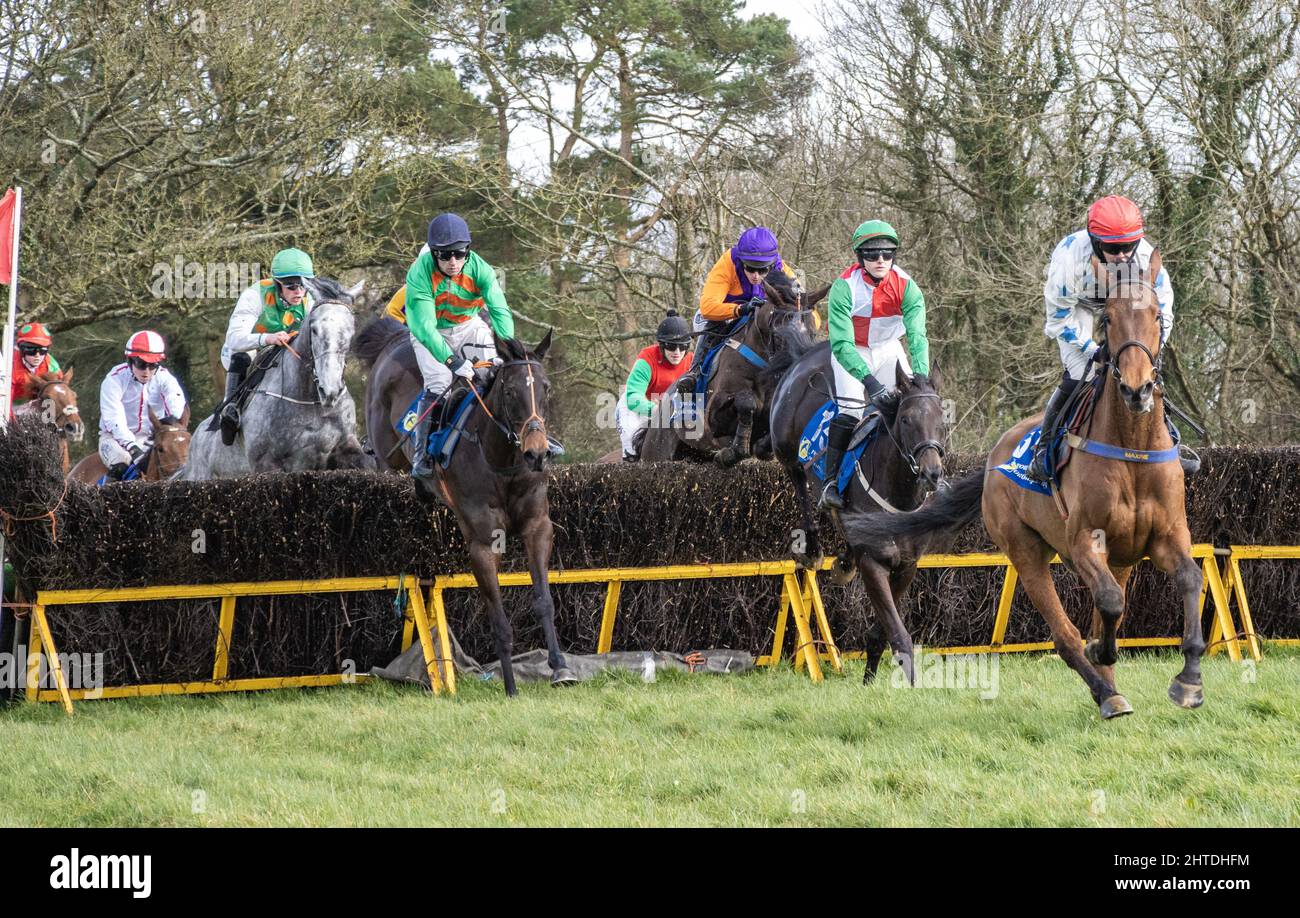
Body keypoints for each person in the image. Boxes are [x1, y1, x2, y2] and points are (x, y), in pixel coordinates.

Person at [1028, 194, 1192, 480]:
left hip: (1127, 306)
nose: (1122, 255)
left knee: (1144, 372)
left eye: (1128, 246)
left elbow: (1161, 316)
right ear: (1095, 242)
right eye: (1113, 248)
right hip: (1077, 307)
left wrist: (1146, 354)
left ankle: (1171, 442)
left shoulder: (1146, 260)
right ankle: (1044, 449)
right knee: (1083, 374)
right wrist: (1092, 349)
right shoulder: (1069, 262)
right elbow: (1058, 320)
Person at [819, 219, 932, 510]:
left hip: (887, 349)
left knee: (920, 404)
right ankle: (830, 482)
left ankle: (931, 474)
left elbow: (918, 335)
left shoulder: (907, 287)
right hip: (852, 352)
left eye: (887, 253)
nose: (880, 259)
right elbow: (841, 345)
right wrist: (870, 382)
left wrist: (920, 374)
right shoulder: (844, 287)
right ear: (860, 257)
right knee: (852, 410)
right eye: (872, 254)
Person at [404, 213, 515, 478]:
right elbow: (426, 328)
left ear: (468, 250)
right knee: (440, 383)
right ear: (433, 254)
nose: (453, 262)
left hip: (469, 325)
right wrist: (453, 362)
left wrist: (510, 350)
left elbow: (500, 312)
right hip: (431, 333)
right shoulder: (419, 273)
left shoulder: (482, 270)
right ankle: (422, 456)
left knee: (500, 373)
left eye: (459, 254)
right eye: (444, 256)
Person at [675, 226, 798, 394]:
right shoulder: (727, 263)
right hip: (726, 314)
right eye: (750, 268)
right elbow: (707, 306)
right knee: (709, 322)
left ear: (772, 264)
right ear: (741, 261)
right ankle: (694, 373)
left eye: (762, 270)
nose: (756, 275)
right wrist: (740, 309)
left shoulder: (782, 269)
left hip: (760, 317)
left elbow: (807, 309)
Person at [218, 247, 316, 435]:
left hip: (285, 349)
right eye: (292, 287)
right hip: (249, 348)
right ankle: (229, 410)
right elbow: (234, 339)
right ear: (278, 284)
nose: (299, 292)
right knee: (241, 357)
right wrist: (268, 338)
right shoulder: (255, 295)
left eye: (303, 285)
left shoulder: (309, 299)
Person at [99, 331, 187, 480]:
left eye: (152, 365)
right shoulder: (114, 380)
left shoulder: (166, 379)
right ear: (130, 360)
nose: (146, 371)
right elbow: (114, 419)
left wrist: (174, 426)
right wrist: (133, 448)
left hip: (152, 439)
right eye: (141, 364)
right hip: (114, 440)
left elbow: (176, 404)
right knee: (122, 467)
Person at [617, 310, 692, 461]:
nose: (677, 352)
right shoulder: (647, 359)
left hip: (670, 408)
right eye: (671, 346)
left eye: (682, 346)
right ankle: (630, 460)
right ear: (662, 345)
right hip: (638, 408)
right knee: (633, 445)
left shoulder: (691, 361)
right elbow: (633, 398)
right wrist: (658, 410)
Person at [8, 322, 62, 412]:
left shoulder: (51, 366)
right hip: (9, 401)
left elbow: (60, 393)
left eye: (42, 351)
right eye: (31, 350)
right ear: (21, 349)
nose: (37, 355)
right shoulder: (10, 365)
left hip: (35, 404)